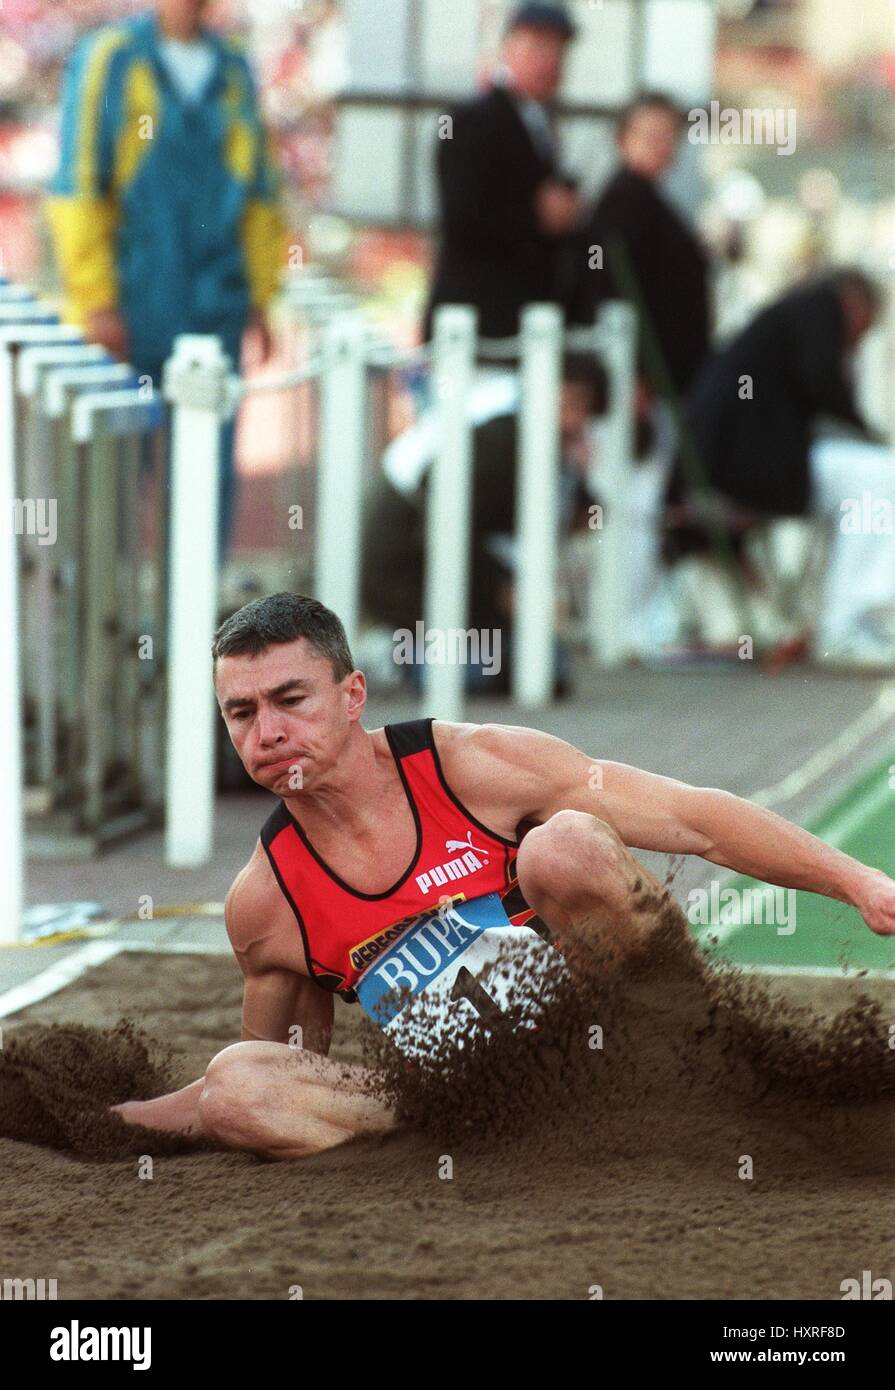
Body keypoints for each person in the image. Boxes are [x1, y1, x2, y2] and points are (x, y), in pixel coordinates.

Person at [111, 593, 895, 1159]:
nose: (269, 732)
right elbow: (288, 1072)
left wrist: (859, 883)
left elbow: (694, 819)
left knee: (564, 847)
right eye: (241, 714)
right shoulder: (266, 901)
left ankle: (691, 1055)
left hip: (632, 1036)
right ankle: (496, 1124)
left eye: (289, 699)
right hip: (471, 1101)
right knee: (237, 1084)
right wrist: (117, 1119)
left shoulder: (473, 766)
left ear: (353, 696)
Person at [44, 0, 288, 554]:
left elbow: (261, 191)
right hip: (135, 305)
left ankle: (202, 620)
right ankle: (117, 620)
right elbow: (79, 182)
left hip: (216, 305)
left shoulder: (233, 68)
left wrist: (262, 296)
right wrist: (98, 300)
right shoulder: (112, 57)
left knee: (208, 469)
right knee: (115, 477)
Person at [663, 268, 895, 666]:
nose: (858, 342)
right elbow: (823, 383)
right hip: (744, 474)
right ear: (855, 304)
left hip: (731, 469)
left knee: (870, 476)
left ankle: (839, 617)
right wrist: (870, 438)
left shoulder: (787, 318)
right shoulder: (818, 311)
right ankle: (848, 620)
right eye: (865, 328)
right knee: (880, 475)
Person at [359, 354, 606, 694]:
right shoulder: (501, 435)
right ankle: (400, 654)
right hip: (407, 574)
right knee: (522, 666)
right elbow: (442, 520)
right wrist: (502, 586)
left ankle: (417, 653)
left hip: (444, 576)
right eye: (571, 404)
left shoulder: (524, 424)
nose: (576, 420)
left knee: (546, 665)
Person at [424, 1, 582, 343]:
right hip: (478, 326)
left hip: (524, 324)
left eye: (558, 49)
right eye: (538, 45)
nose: (551, 60)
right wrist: (535, 216)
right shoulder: (469, 119)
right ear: (508, 49)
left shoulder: (542, 123)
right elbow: (461, 216)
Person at [568, 91, 711, 401]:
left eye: (669, 135)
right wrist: (634, 373)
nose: (662, 145)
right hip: (641, 381)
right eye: (651, 135)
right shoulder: (624, 203)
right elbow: (611, 287)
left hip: (667, 376)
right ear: (623, 139)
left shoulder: (650, 200)